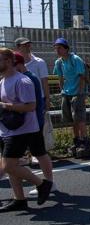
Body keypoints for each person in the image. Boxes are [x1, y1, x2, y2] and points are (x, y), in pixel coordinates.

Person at [0, 48, 54, 212]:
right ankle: (19, 199)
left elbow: (31, 106)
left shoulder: (23, 81)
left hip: (21, 130)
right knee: (10, 166)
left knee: (9, 166)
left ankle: (42, 184)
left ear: (8, 61)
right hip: (6, 130)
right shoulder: (2, 81)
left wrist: (4, 106)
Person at [14, 52, 55, 194]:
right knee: (38, 152)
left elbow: (30, 104)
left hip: (31, 123)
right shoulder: (29, 77)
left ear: (18, 65)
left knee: (38, 153)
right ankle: (48, 182)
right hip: (31, 123)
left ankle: (48, 183)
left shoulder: (27, 78)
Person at [53, 37, 90, 157]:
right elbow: (60, 77)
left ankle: (85, 141)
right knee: (71, 119)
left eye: (59, 48)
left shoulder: (75, 59)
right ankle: (76, 140)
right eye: (56, 48)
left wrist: (80, 93)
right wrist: (62, 90)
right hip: (67, 93)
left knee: (79, 118)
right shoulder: (59, 62)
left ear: (66, 49)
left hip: (77, 93)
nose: (57, 50)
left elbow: (81, 76)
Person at [15, 38, 52, 152]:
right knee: (22, 125)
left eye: (28, 45)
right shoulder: (14, 64)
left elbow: (44, 82)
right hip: (20, 100)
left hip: (38, 99)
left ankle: (37, 151)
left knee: (37, 125)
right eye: (24, 45)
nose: (27, 47)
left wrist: (47, 99)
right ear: (18, 47)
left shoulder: (39, 62)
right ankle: (25, 151)